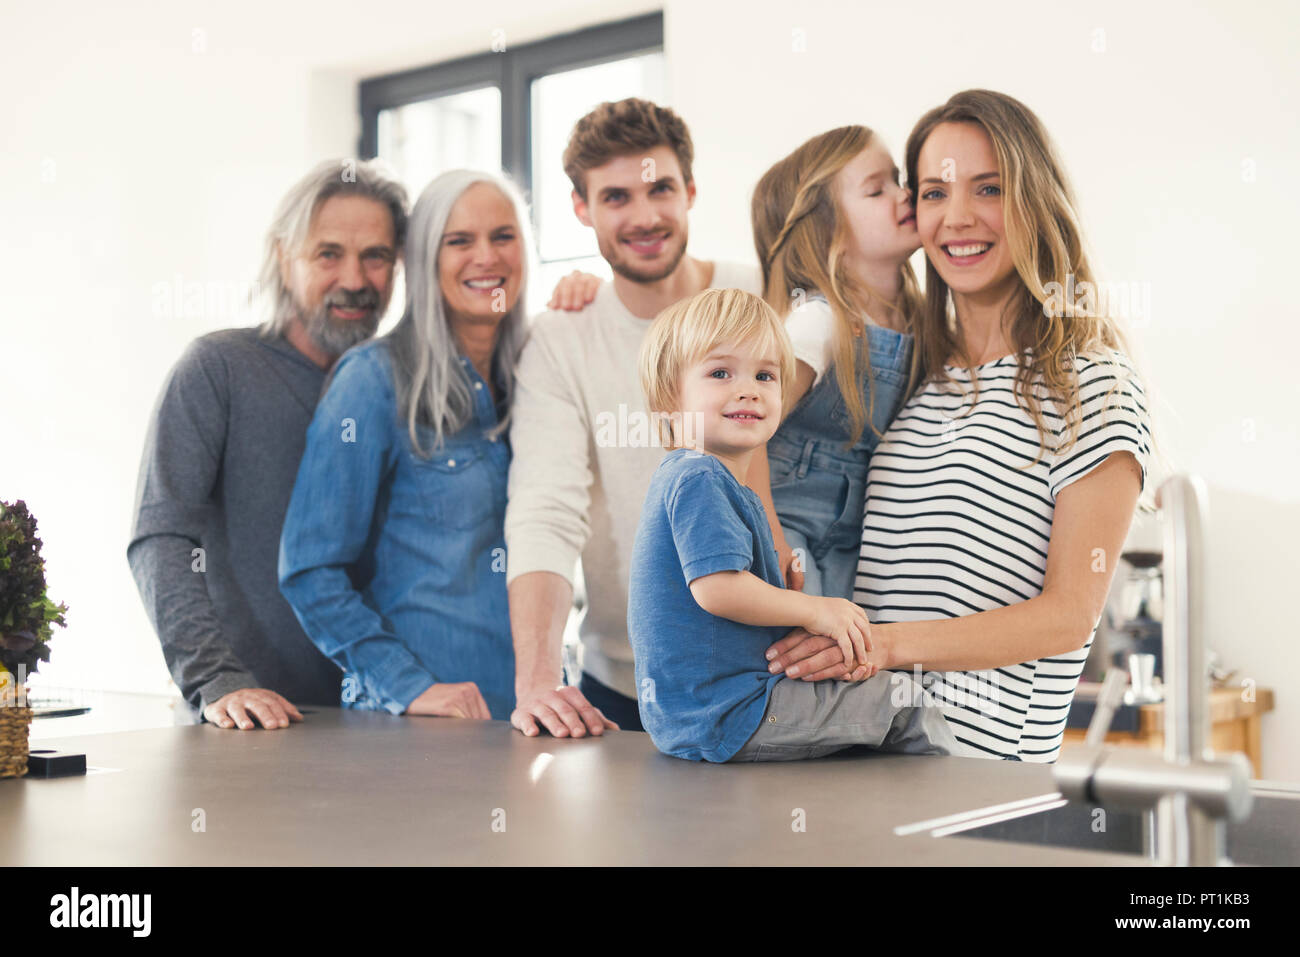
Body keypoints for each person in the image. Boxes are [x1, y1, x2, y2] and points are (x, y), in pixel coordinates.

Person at [765, 90, 1153, 763]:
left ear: (1036, 200)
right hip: (855, 755)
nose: (959, 217)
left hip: (975, 780)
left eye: (989, 188)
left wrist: (882, 645)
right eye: (936, 191)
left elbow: (1069, 614)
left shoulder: (1091, 384)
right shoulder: (915, 376)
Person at [505, 98, 764, 737]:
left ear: (691, 191)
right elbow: (545, 510)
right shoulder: (562, 339)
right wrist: (540, 679)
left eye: (660, 189)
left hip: (775, 669)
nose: (645, 216)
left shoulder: (760, 294)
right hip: (624, 687)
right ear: (581, 209)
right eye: (616, 197)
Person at [127, 159, 408, 731]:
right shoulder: (218, 369)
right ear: (284, 257)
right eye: (328, 254)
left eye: (375, 256)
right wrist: (216, 679)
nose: (354, 280)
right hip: (249, 723)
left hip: (384, 720)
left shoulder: (405, 388)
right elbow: (161, 535)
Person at [628, 288, 958, 762]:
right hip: (732, 712)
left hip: (713, 712)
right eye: (721, 373)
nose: (749, 389)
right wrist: (813, 609)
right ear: (668, 399)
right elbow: (717, 588)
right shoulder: (699, 475)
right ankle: (947, 824)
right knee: (903, 706)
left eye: (766, 375)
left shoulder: (709, 479)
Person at [278, 170, 533, 721]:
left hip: (525, 715)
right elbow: (310, 570)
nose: (486, 257)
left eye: (503, 237)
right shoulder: (372, 380)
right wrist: (409, 686)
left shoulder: (538, 375)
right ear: (423, 260)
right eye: (459, 241)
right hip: (415, 727)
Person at [748, 125, 923, 605]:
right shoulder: (817, 324)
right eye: (876, 188)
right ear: (831, 233)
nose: (904, 194)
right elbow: (744, 428)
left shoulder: (921, 323)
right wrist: (772, 537)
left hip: (851, 545)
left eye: (897, 179)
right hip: (788, 528)